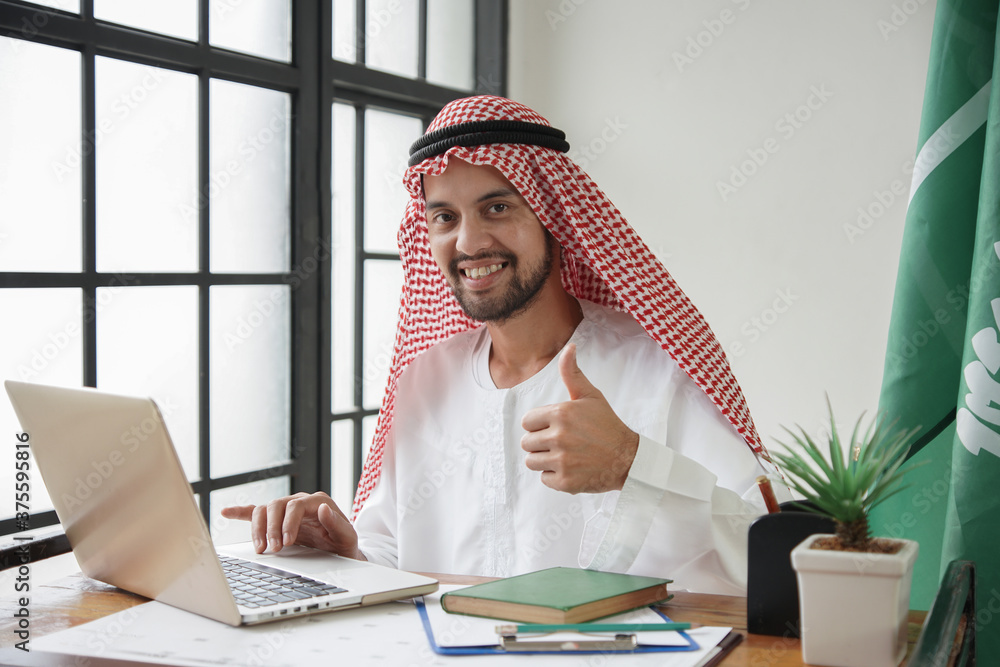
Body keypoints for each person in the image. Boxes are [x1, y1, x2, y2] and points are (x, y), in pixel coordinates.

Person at [222, 95, 784, 595]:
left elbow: (770, 559)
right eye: (445, 217)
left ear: (554, 217)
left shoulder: (658, 364)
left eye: (497, 207)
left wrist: (632, 465)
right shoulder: (425, 378)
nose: (469, 242)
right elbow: (393, 551)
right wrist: (345, 553)